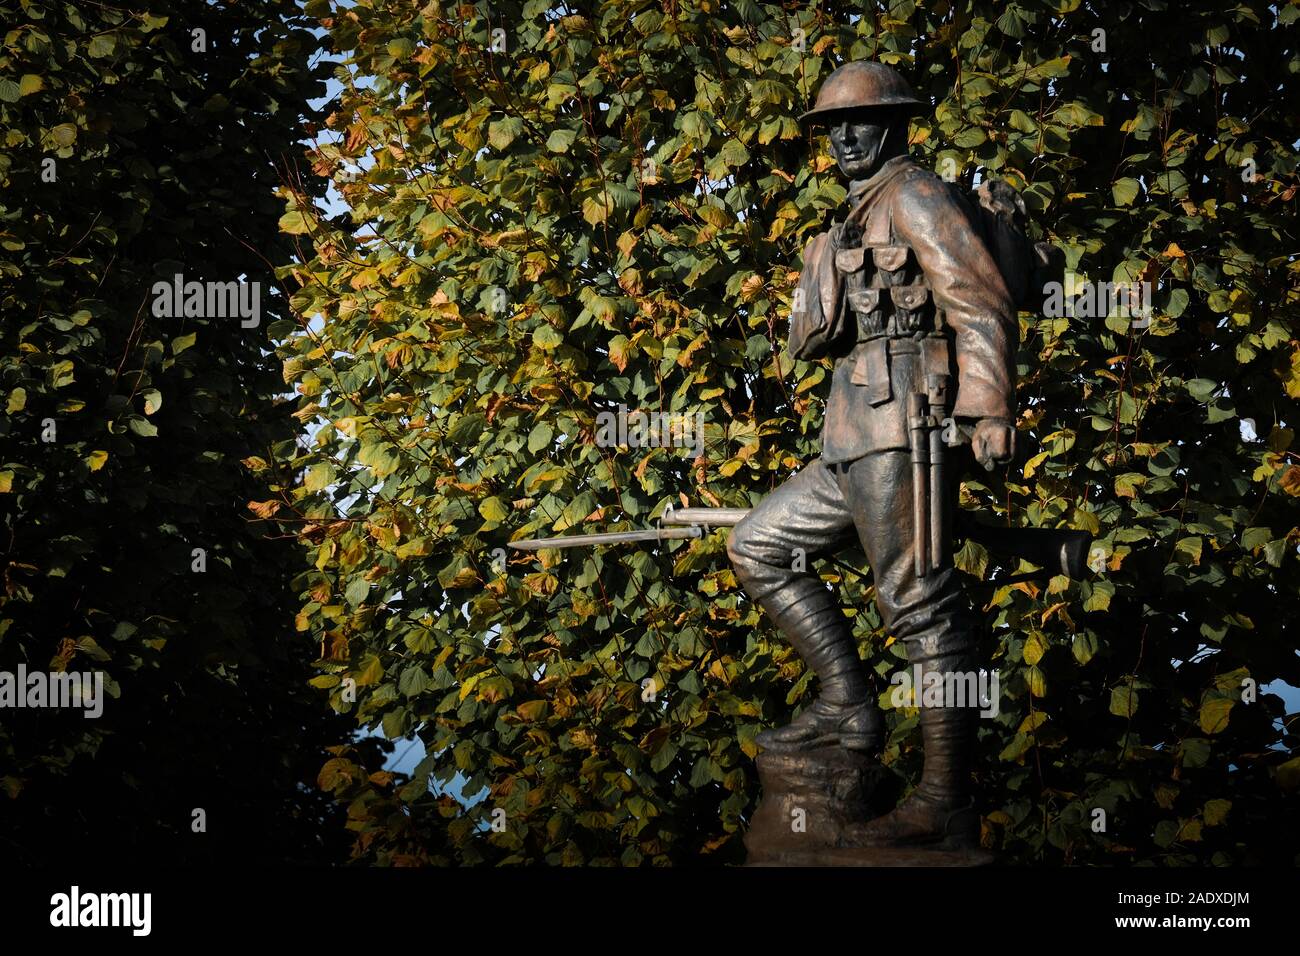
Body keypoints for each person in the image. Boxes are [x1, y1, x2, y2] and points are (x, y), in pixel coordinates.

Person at [726, 61, 1017, 849]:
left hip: (907, 426)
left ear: (894, 125)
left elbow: (977, 298)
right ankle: (848, 704)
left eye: (858, 123)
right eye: (831, 129)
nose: (844, 139)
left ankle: (944, 797)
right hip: (854, 429)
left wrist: (986, 408)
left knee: (919, 605)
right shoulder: (859, 210)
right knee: (758, 544)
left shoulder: (916, 192)